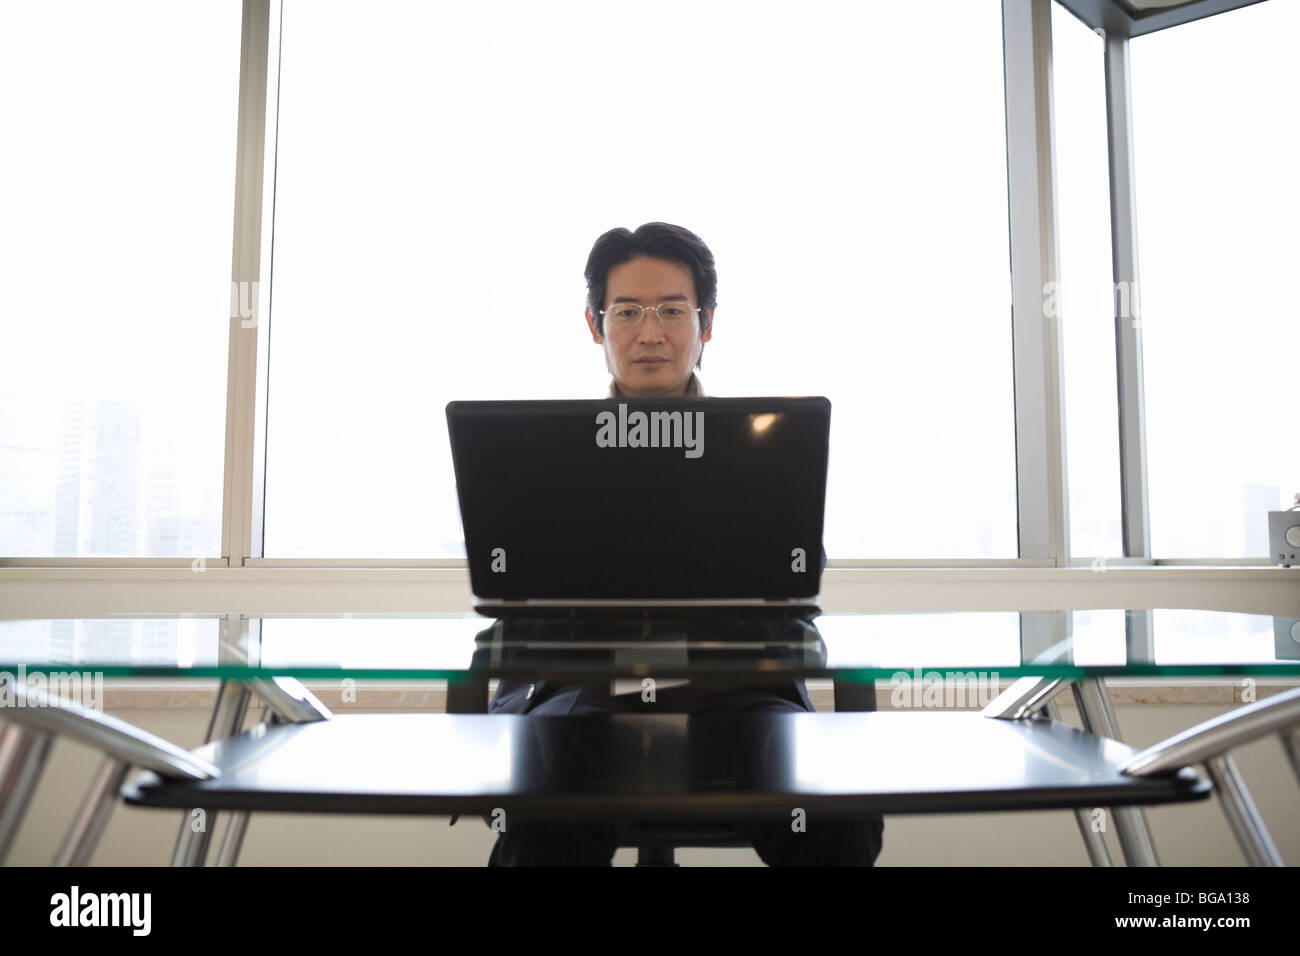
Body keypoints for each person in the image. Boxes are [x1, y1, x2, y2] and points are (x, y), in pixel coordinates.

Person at [486, 222, 884, 866]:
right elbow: (514, 614)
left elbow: (795, 600)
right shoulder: (542, 462)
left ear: (707, 322)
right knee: (544, 804)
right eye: (628, 312)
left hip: (735, 695)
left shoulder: (767, 450)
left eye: (673, 310)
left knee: (839, 813)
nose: (651, 332)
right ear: (595, 324)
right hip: (587, 694)